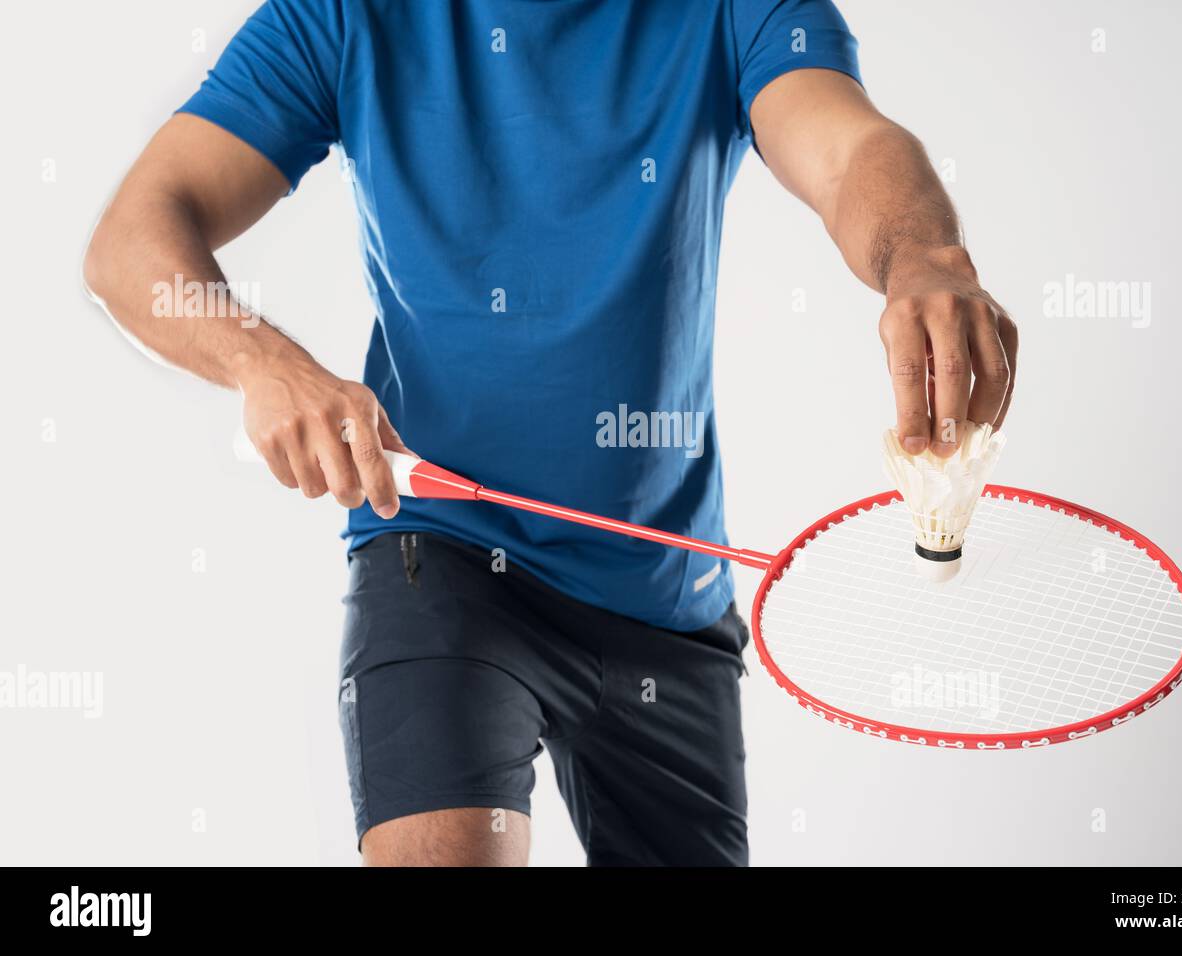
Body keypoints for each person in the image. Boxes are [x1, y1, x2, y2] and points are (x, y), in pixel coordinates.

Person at [83, 0, 1016, 866]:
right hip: (444, 553)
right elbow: (132, 239)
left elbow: (851, 150)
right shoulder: (342, 13)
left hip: (666, 590)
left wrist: (925, 259)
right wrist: (262, 364)